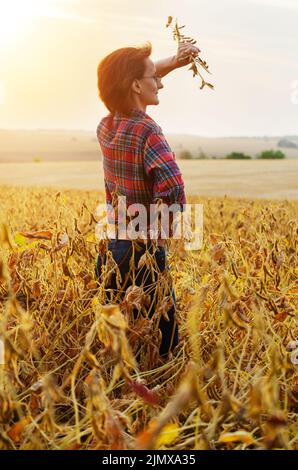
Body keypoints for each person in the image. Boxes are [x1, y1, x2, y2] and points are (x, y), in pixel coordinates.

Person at [95, 40, 200, 361]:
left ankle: (120, 394)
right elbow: (172, 188)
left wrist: (172, 62)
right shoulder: (148, 131)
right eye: (155, 77)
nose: (162, 83)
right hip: (143, 252)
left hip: (110, 249)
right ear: (137, 85)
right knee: (165, 343)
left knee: (120, 341)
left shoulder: (106, 126)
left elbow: (121, 82)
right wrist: (161, 230)